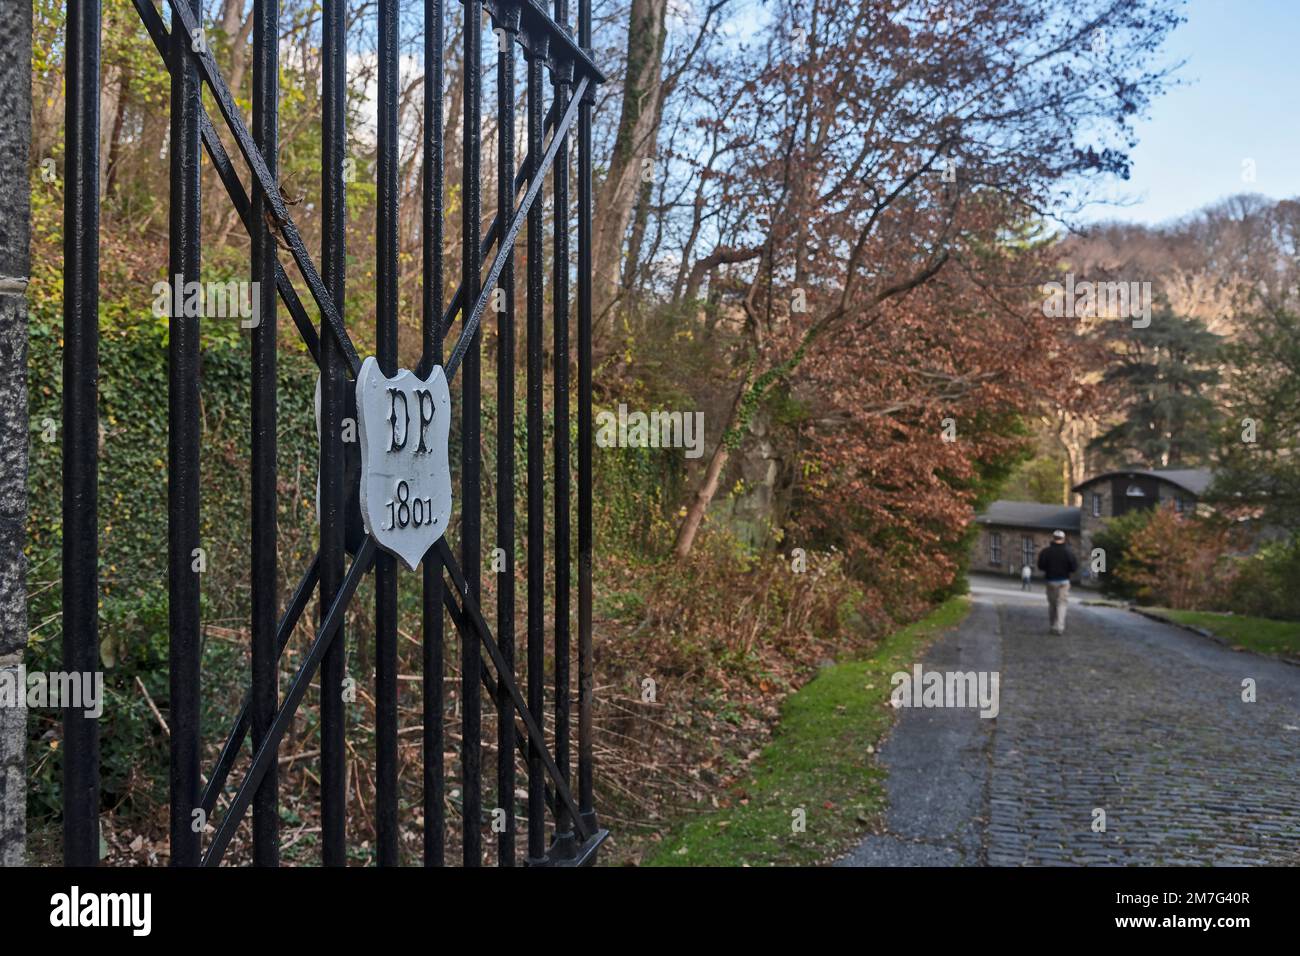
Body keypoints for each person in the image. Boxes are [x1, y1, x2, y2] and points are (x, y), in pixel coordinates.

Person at [1036, 529, 1078, 635]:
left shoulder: (1046, 551)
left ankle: (1052, 625)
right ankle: (1059, 627)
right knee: (1062, 603)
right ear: (1063, 539)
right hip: (1063, 581)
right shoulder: (1069, 552)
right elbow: (1074, 568)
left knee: (1052, 604)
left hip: (1050, 581)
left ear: (1053, 538)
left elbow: (1040, 566)